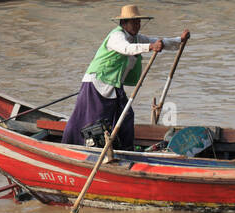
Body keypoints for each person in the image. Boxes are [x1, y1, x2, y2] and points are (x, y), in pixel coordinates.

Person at [61, 5, 189, 152]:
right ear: (124, 23)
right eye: (134, 22)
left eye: (138, 22)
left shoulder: (136, 38)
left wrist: (180, 40)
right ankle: (81, 147)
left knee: (126, 116)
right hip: (98, 84)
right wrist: (150, 47)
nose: (137, 25)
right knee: (94, 120)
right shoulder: (116, 36)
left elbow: (159, 41)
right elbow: (126, 48)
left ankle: (126, 149)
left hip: (114, 85)